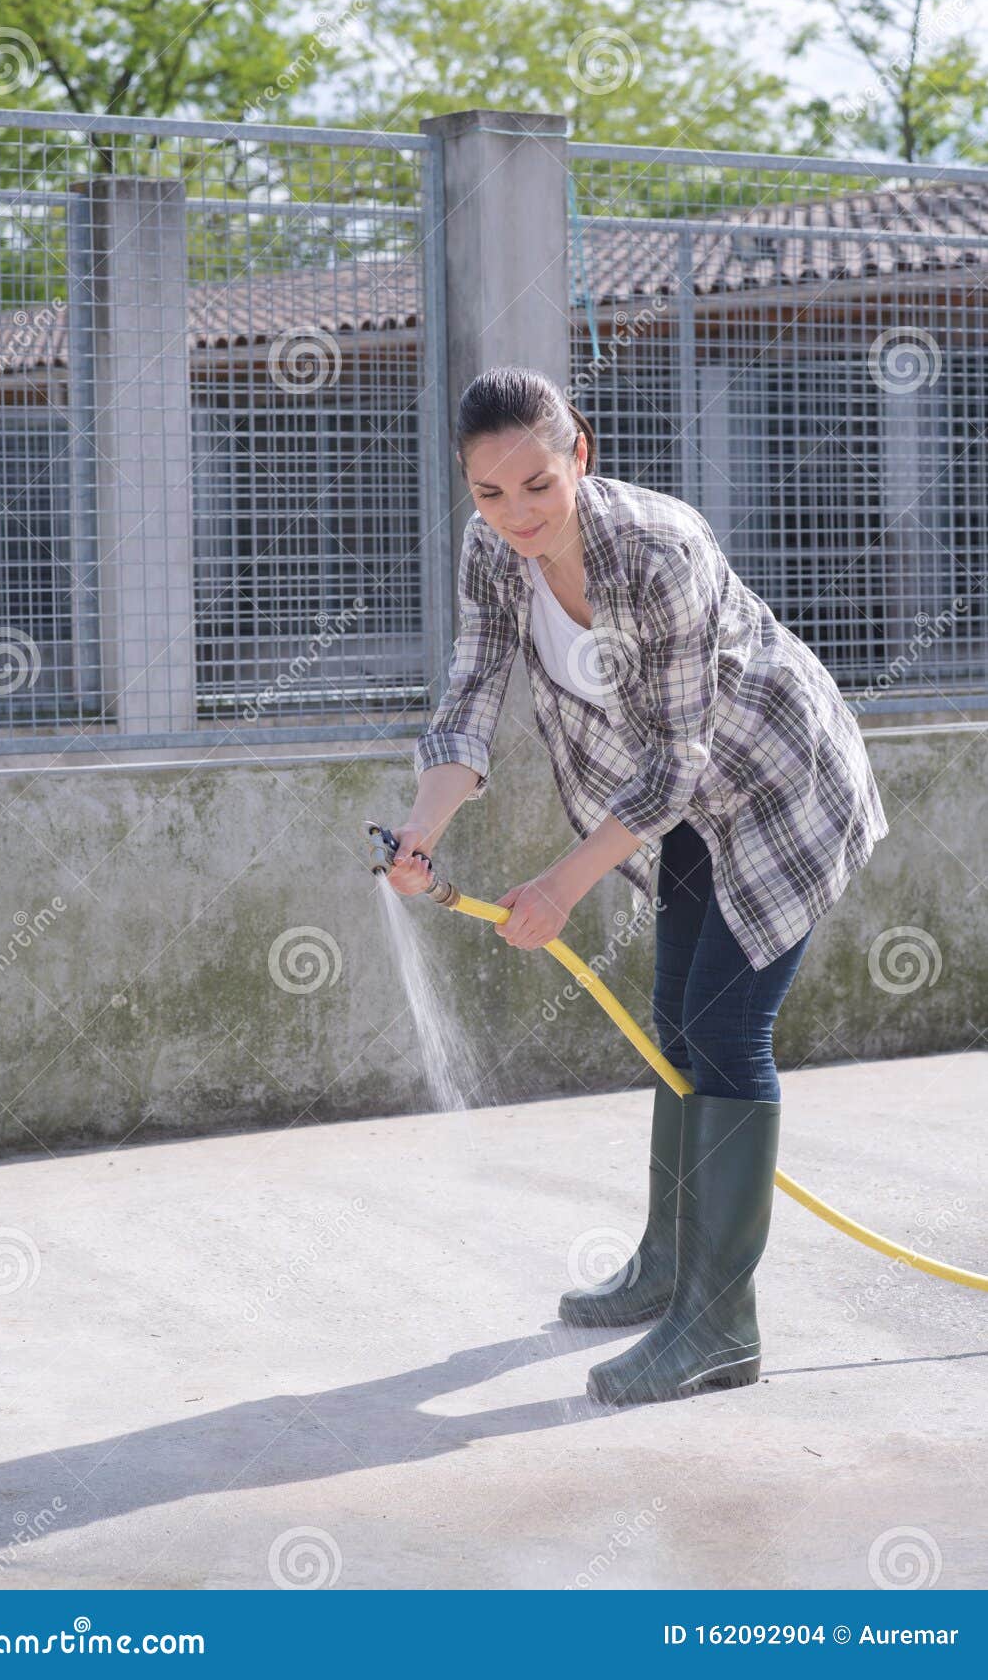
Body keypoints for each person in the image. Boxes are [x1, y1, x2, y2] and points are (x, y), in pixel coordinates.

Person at [385, 365, 889, 1407]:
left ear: (579, 452)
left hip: (775, 781)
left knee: (726, 1036)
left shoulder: (660, 550)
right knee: (672, 1022)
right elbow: (471, 693)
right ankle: (669, 1266)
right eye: (488, 493)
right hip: (679, 804)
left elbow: (676, 758)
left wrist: (562, 884)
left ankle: (719, 1326)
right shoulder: (492, 553)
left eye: (535, 483)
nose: (515, 514)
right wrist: (422, 829)